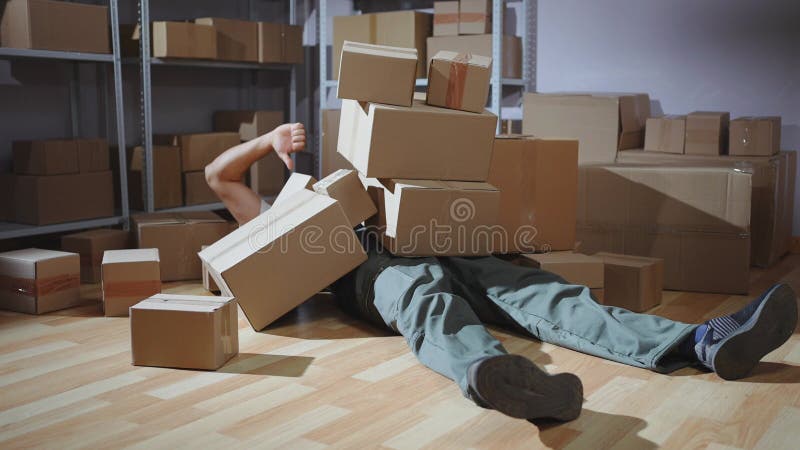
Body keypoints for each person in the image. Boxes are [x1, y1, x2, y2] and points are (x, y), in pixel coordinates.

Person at [205, 123, 799, 422]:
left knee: (538, 290)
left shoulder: (321, 186)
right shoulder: (266, 225)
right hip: (363, 270)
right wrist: (268, 139)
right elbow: (218, 175)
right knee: (424, 299)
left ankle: (698, 342)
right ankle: (490, 372)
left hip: (420, 238)